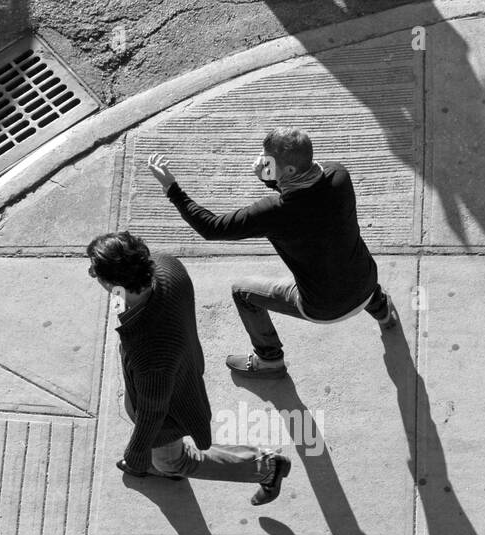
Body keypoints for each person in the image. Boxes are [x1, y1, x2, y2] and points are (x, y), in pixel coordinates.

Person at [146, 127, 398, 380]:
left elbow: (211, 228)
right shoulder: (339, 176)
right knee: (340, 250)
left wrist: (171, 187)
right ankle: (382, 309)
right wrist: (269, 176)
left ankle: (269, 360)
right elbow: (306, 199)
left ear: (288, 171)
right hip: (366, 281)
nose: (259, 161)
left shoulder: (272, 214)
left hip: (323, 307)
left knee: (242, 291)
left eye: (267, 161)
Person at [87, 231, 291, 504]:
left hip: (169, 405)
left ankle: (266, 467)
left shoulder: (149, 350)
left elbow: (153, 412)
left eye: (94, 272)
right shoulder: (167, 266)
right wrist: (121, 310)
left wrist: (137, 453)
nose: (92, 275)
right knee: (163, 454)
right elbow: (123, 306)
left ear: (112, 281)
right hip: (180, 363)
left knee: (173, 463)